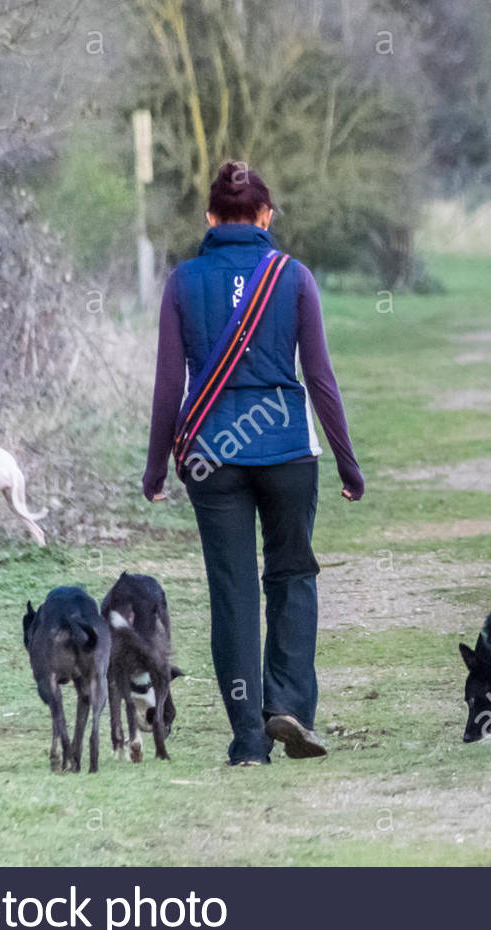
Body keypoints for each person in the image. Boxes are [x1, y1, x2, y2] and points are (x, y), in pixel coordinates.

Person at [142, 162, 364, 766]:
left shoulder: (183, 282)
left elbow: (168, 385)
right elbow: (319, 378)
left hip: (212, 457)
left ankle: (247, 741)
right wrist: (347, 463)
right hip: (287, 449)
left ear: (210, 218)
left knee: (233, 592)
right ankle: (287, 704)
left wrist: (156, 467)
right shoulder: (294, 277)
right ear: (265, 216)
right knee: (292, 576)